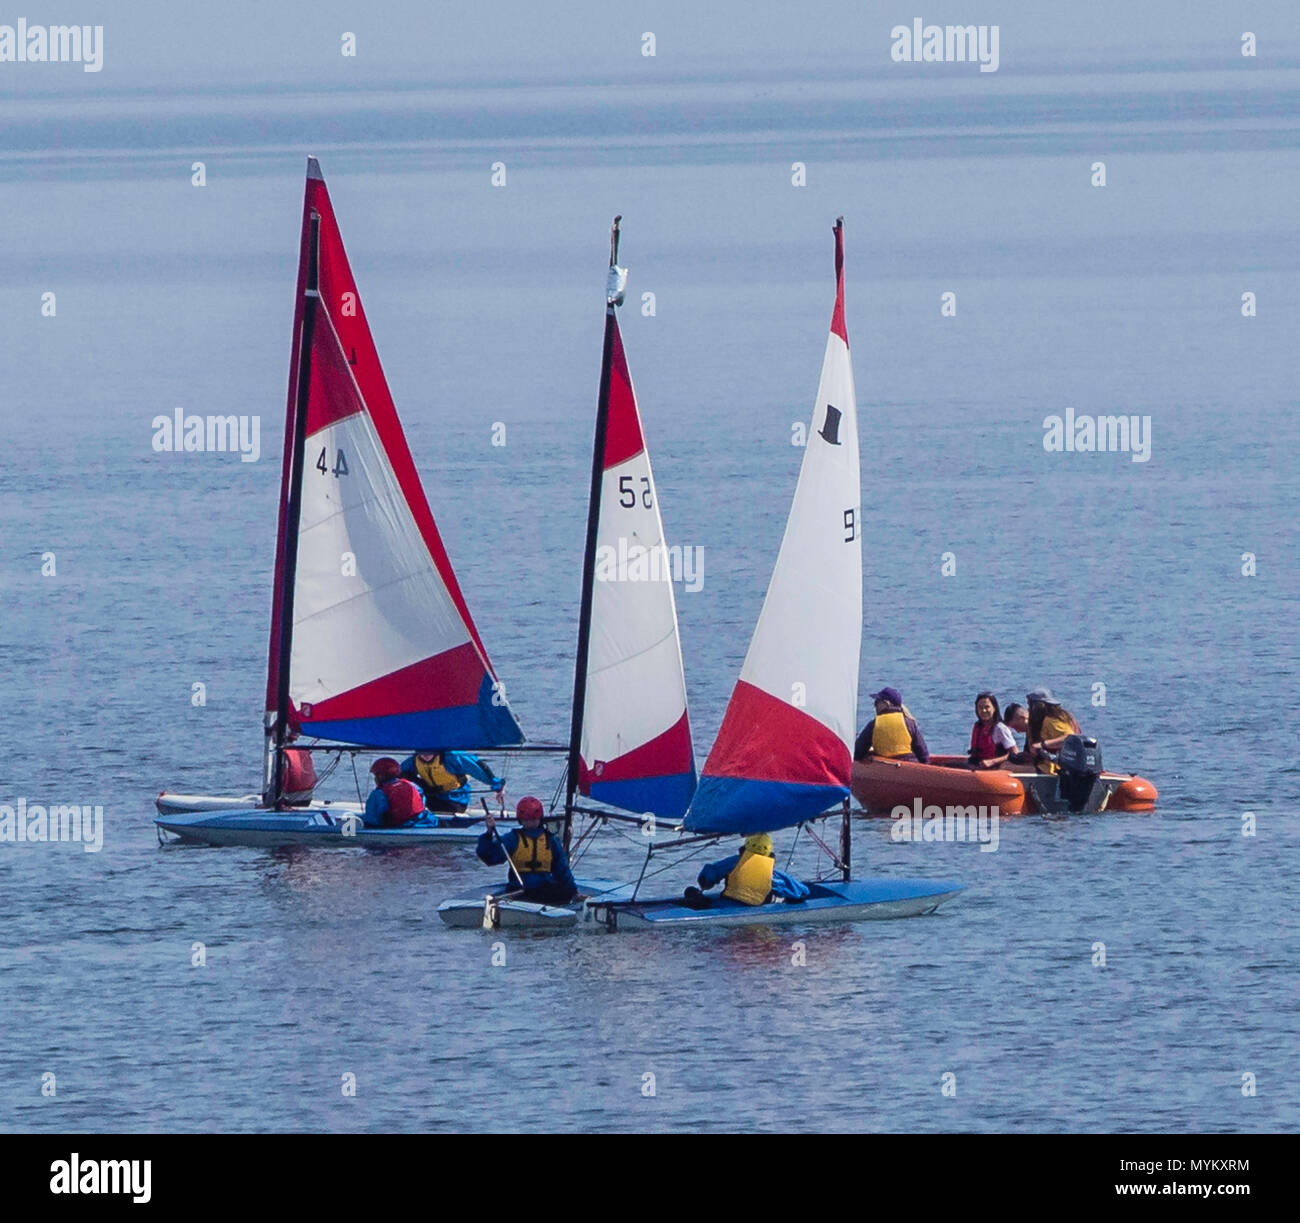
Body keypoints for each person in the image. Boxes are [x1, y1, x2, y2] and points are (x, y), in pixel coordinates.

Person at [477, 796, 577, 904]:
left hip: (544, 890)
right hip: (519, 890)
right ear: (521, 820)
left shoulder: (550, 840)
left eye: (534, 819)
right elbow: (490, 858)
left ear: (540, 819)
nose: (531, 823)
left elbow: (562, 870)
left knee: (564, 892)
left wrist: (572, 891)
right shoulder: (513, 839)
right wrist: (488, 833)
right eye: (527, 820)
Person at [683, 833, 810, 908]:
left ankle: (701, 903)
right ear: (769, 851)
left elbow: (708, 875)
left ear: (746, 845)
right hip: (757, 907)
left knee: (690, 891)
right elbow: (802, 892)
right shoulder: (772, 873)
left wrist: (705, 884)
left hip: (725, 905)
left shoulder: (735, 862)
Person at [401, 749, 504, 814]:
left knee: (446, 809)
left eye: (430, 750)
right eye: (422, 751)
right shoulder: (414, 761)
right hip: (431, 797)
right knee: (404, 776)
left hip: (455, 801)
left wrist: (497, 785)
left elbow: (478, 768)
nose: (425, 754)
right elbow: (396, 773)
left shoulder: (452, 757)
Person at [853, 686, 930, 763]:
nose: (875, 706)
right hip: (909, 765)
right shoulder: (910, 723)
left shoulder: (874, 725)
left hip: (883, 767)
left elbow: (858, 752)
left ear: (887, 703)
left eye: (877, 702)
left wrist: (867, 757)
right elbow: (923, 753)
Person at [1026, 688, 1082, 773]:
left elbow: (1071, 738)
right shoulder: (1060, 717)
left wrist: (1042, 745)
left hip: (1054, 767)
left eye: (1030, 705)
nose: (1028, 709)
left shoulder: (1051, 720)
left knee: (1007, 767)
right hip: (1052, 764)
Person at [363, 757, 426, 827]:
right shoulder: (414, 786)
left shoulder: (378, 794)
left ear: (380, 776)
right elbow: (422, 804)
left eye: (376, 775)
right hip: (421, 824)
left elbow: (372, 819)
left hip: (394, 828)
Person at [968, 691, 1016, 769]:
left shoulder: (1000, 728)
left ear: (994, 708)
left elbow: (1014, 753)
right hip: (977, 764)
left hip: (992, 768)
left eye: (987, 707)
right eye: (980, 707)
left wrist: (992, 762)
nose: (983, 711)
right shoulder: (978, 726)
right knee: (946, 765)